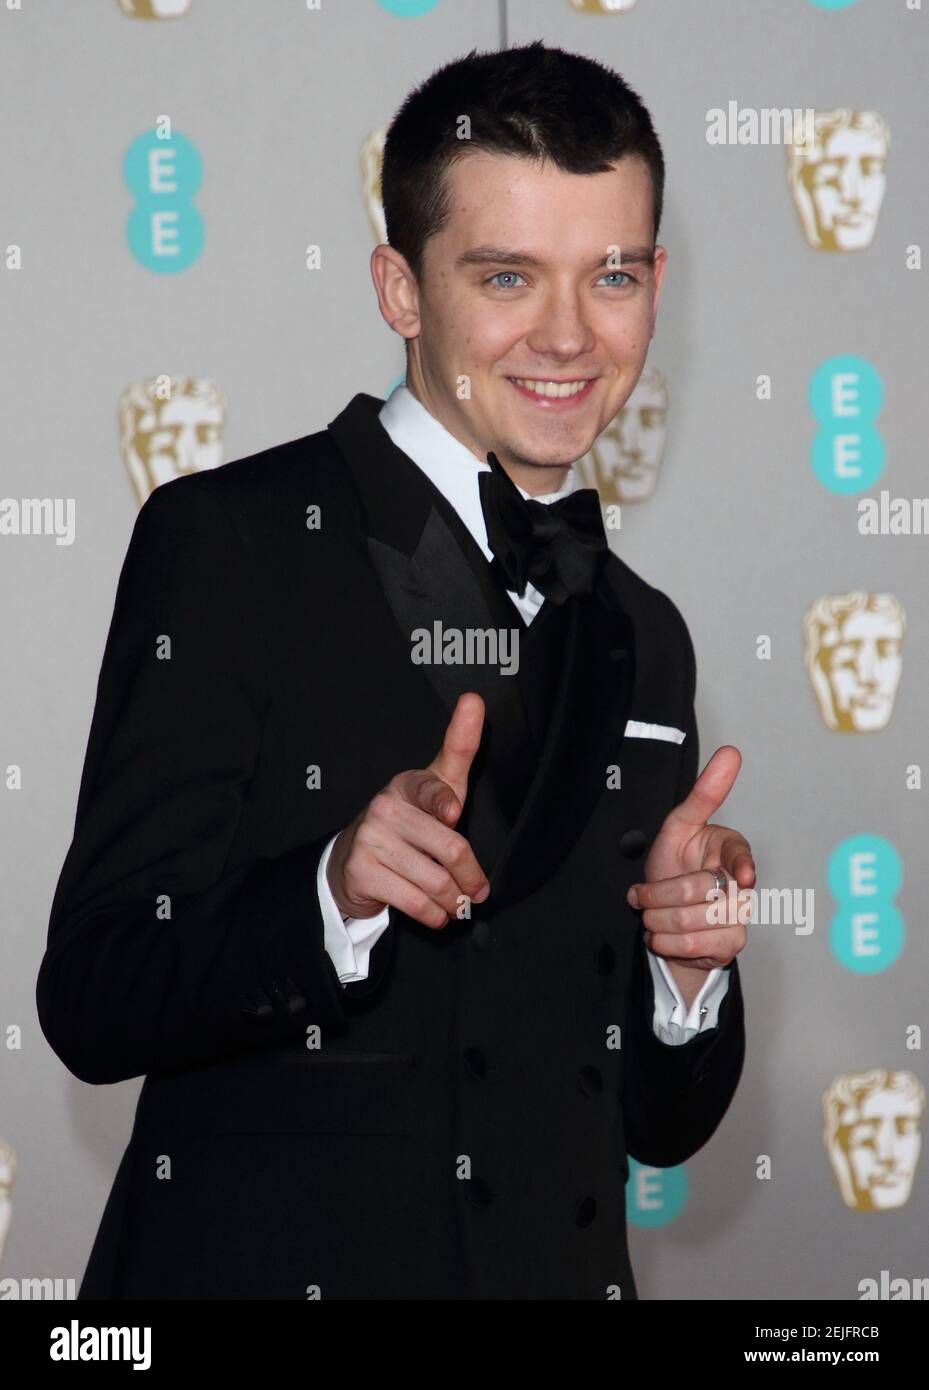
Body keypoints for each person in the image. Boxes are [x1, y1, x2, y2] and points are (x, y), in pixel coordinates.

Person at [37, 40, 752, 1300]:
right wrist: (329, 892)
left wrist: (681, 972)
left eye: (613, 275)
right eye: (504, 276)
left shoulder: (647, 628)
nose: (568, 335)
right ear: (399, 289)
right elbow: (95, 994)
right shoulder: (233, 542)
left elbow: (656, 1124)